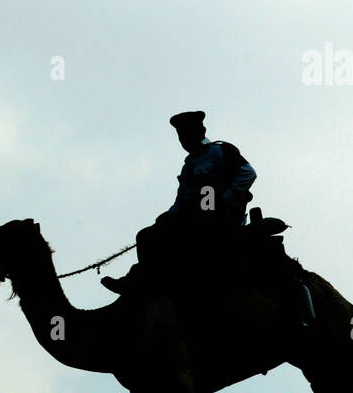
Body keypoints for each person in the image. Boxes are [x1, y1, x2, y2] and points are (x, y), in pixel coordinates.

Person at [103, 111, 256, 294]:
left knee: (204, 201)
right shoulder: (188, 165)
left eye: (186, 134)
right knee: (146, 236)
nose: (183, 140)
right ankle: (141, 280)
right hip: (193, 215)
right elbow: (183, 197)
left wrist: (226, 199)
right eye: (180, 136)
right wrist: (169, 215)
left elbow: (248, 173)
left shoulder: (220, 150)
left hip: (220, 214)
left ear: (199, 132)